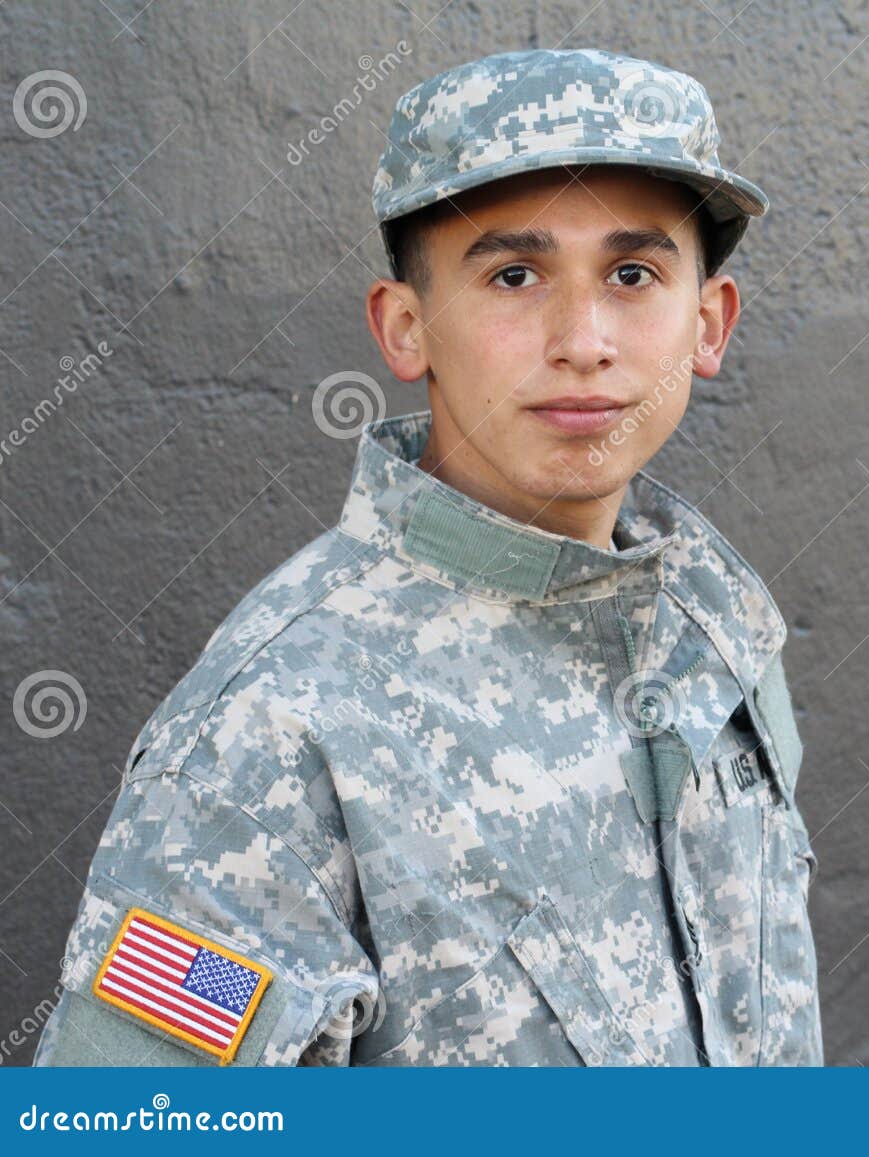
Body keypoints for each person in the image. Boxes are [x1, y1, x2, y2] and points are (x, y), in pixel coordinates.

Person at [33, 46, 821, 1067]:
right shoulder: (276, 721)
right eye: (513, 274)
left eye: (633, 274)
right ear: (408, 328)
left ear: (706, 323)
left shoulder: (714, 631)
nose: (583, 338)